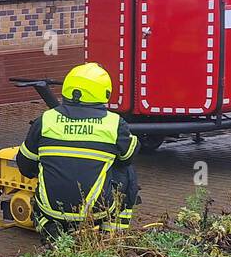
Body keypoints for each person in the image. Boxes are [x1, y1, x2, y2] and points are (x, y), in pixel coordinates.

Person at [15, 62, 140, 238]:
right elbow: (127, 159)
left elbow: (25, 166)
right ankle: (110, 236)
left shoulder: (45, 120)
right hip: (96, 213)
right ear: (105, 92)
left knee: (43, 170)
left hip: (51, 211)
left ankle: (50, 231)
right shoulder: (114, 123)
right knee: (128, 173)